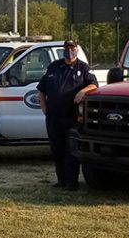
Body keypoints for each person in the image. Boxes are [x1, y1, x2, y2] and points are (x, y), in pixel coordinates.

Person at [38, 40, 100, 190]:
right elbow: (41, 89)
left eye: (72, 48)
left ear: (76, 49)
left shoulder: (83, 68)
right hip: (54, 117)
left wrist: (82, 91)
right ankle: (61, 181)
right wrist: (44, 108)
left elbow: (94, 84)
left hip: (72, 118)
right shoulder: (53, 67)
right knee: (57, 149)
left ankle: (72, 183)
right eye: (67, 48)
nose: (70, 51)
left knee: (70, 151)